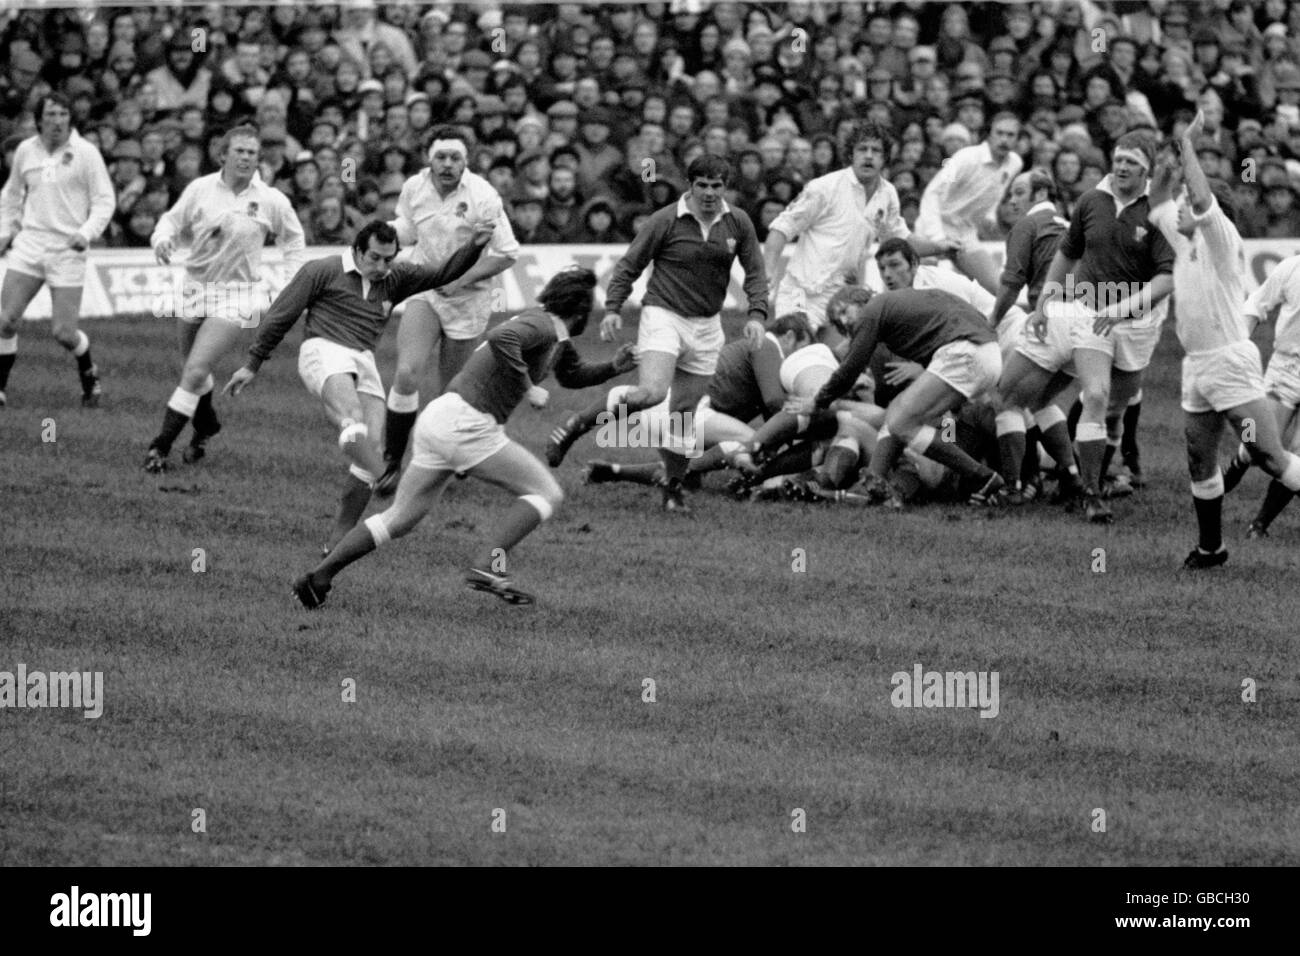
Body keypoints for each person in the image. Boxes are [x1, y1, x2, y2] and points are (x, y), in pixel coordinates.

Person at [292, 268, 637, 609]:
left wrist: (612, 368)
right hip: (467, 424)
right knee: (546, 493)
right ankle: (489, 565)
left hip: (442, 418)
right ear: (580, 310)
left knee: (399, 518)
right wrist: (527, 387)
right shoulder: (542, 326)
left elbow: (572, 373)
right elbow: (504, 337)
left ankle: (317, 578)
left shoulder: (551, 331)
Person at [222, 220, 492, 552]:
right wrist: (253, 363)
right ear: (357, 251)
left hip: (362, 360)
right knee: (352, 418)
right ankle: (385, 476)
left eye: (388, 259)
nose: (382, 267)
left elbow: (443, 273)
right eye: (375, 258)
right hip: (322, 349)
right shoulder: (321, 270)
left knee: (371, 446)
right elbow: (282, 313)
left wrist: (475, 246)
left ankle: (337, 540)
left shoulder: (395, 279)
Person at [544, 154, 769, 513]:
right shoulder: (665, 219)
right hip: (663, 315)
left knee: (682, 413)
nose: (710, 193)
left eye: (717, 186)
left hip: (708, 325)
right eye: (702, 185)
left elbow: (756, 272)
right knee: (652, 393)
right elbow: (629, 265)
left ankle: (672, 489)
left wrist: (756, 314)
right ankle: (578, 424)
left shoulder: (738, 222)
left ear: (725, 187)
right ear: (691, 186)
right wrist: (614, 308)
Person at [1148, 111, 1300, 568]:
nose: (1177, 204)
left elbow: (1197, 196)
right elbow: (1155, 198)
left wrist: (1189, 145)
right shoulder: (1185, 239)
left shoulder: (1220, 236)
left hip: (1229, 361)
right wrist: (1172, 162)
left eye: (1186, 200)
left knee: (1269, 458)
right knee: (1199, 459)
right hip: (1197, 365)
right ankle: (1211, 548)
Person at [1031, 131, 1174, 523]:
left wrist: (1124, 308)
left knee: (1116, 407)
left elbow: (1167, 279)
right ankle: (1090, 493)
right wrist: (1045, 300)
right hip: (1092, 314)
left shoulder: (1160, 212)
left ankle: (1088, 470)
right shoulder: (1092, 201)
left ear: (1147, 171)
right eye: (1119, 159)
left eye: (1132, 162)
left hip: (1138, 325)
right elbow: (1067, 251)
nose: (1122, 166)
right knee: (1095, 394)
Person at [145, 124, 306, 471]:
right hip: (194, 286)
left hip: (239, 294)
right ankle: (206, 425)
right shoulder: (200, 189)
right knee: (192, 370)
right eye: (240, 151)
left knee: (196, 370)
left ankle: (159, 448)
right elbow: (169, 222)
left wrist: (293, 285)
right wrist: (162, 240)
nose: (247, 157)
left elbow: (293, 242)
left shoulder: (271, 199)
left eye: (252, 152)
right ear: (223, 155)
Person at [380, 126, 520, 486]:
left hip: (468, 302)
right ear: (428, 157)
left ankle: (440, 463)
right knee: (407, 372)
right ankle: (391, 460)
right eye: (440, 156)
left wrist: (459, 280)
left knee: (450, 395)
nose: (447, 164)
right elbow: (409, 229)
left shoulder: (484, 196)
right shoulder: (414, 188)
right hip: (426, 292)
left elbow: (507, 253)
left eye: (455, 157)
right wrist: (384, 238)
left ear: (466, 161)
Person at [790, 286, 1005, 508]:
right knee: (894, 423)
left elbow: (852, 368)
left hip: (940, 466)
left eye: (844, 311)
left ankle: (981, 476)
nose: (844, 321)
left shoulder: (875, 312)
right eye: (838, 319)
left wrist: (822, 401)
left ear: (862, 301)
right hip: (984, 350)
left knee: (890, 422)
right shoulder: (916, 326)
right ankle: (868, 487)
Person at [763, 124, 959, 342]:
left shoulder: (888, 193)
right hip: (801, 292)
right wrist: (769, 270)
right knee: (794, 358)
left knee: (840, 365)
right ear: (850, 155)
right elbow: (781, 228)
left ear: (885, 159)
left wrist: (940, 247)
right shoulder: (823, 187)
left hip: (843, 298)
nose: (868, 156)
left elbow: (900, 241)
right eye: (862, 149)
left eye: (876, 151)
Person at [584, 312, 814, 488]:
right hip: (690, 412)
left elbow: (772, 415)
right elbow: (774, 403)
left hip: (673, 412)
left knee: (688, 478)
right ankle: (758, 482)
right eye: (802, 351)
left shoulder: (765, 355)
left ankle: (611, 471)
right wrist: (813, 425)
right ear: (790, 337)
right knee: (751, 442)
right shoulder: (768, 344)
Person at [0, 93, 115, 409]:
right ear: (39, 119)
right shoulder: (26, 150)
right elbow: (11, 195)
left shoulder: (86, 153)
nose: (57, 120)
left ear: (70, 118)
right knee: (4, 319)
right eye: (51, 113)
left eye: (63, 113)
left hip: (67, 249)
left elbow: (105, 200)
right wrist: (4, 231)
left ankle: (88, 371)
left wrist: (86, 233)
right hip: (30, 245)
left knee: (64, 333)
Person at [1222, 257, 1300, 537]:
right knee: (1263, 443)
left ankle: (1259, 524)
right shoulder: (1292, 268)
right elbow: (1256, 303)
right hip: (1287, 369)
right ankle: (1242, 459)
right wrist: (1238, 346)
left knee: (1298, 452)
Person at [915, 112, 1024, 295]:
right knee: (924, 292)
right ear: (989, 135)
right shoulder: (963, 158)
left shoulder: (1015, 163)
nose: (1004, 139)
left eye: (1010, 135)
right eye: (999, 133)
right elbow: (932, 192)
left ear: (1017, 140)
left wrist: (989, 216)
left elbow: (998, 188)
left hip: (965, 233)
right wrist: (938, 238)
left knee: (998, 290)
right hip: (932, 228)